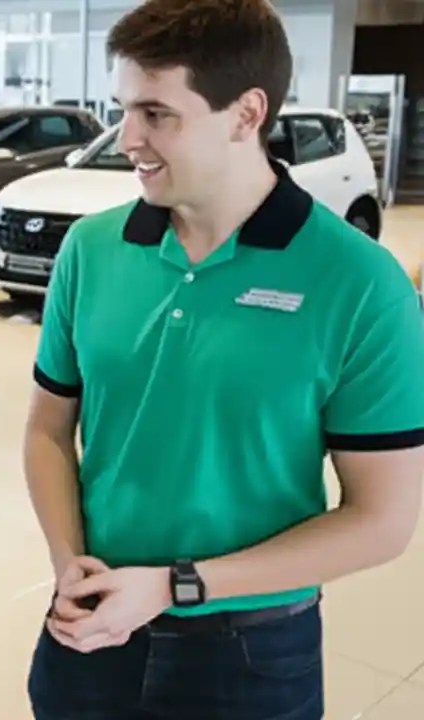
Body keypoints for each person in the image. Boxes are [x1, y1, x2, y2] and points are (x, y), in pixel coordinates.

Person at [24, 1, 424, 718]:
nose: (127, 138)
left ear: (246, 113)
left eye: (156, 113)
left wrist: (177, 585)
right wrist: (68, 561)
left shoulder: (361, 284)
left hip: (252, 653)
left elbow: (383, 521)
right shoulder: (90, 250)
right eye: (122, 109)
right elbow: (47, 431)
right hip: (89, 625)